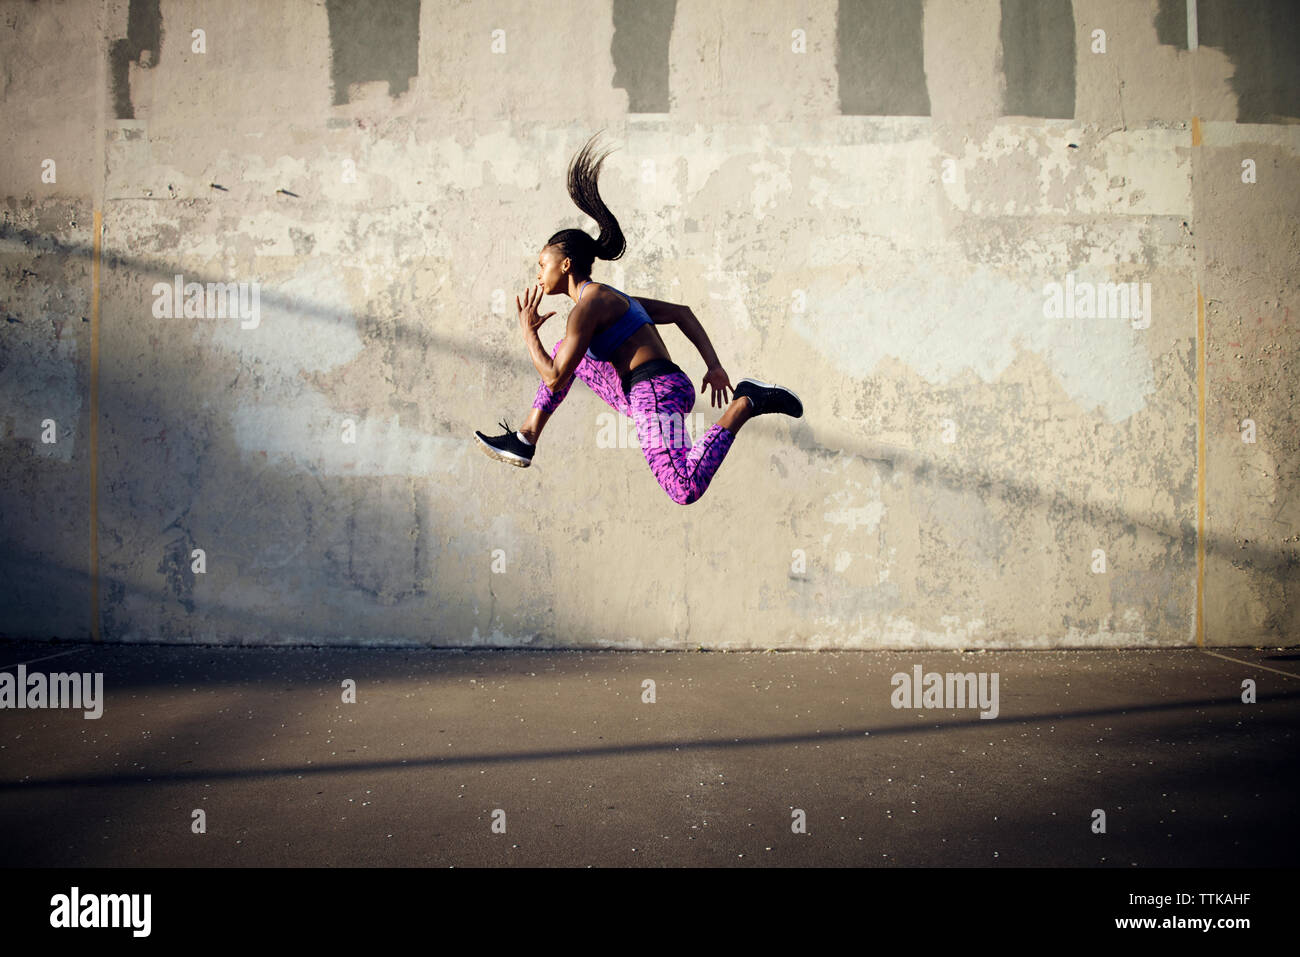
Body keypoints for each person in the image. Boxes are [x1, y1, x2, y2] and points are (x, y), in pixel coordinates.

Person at [474, 132, 802, 505]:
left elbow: (554, 377)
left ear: (565, 264)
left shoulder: (587, 308)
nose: (538, 274)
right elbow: (681, 313)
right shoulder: (610, 299)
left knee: (683, 488)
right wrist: (713, 366)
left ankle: (746, 403)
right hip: (652, 389)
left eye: (542, 264)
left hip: (654, 392)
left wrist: (528, 334)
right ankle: (526, 438)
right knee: (566, 348)